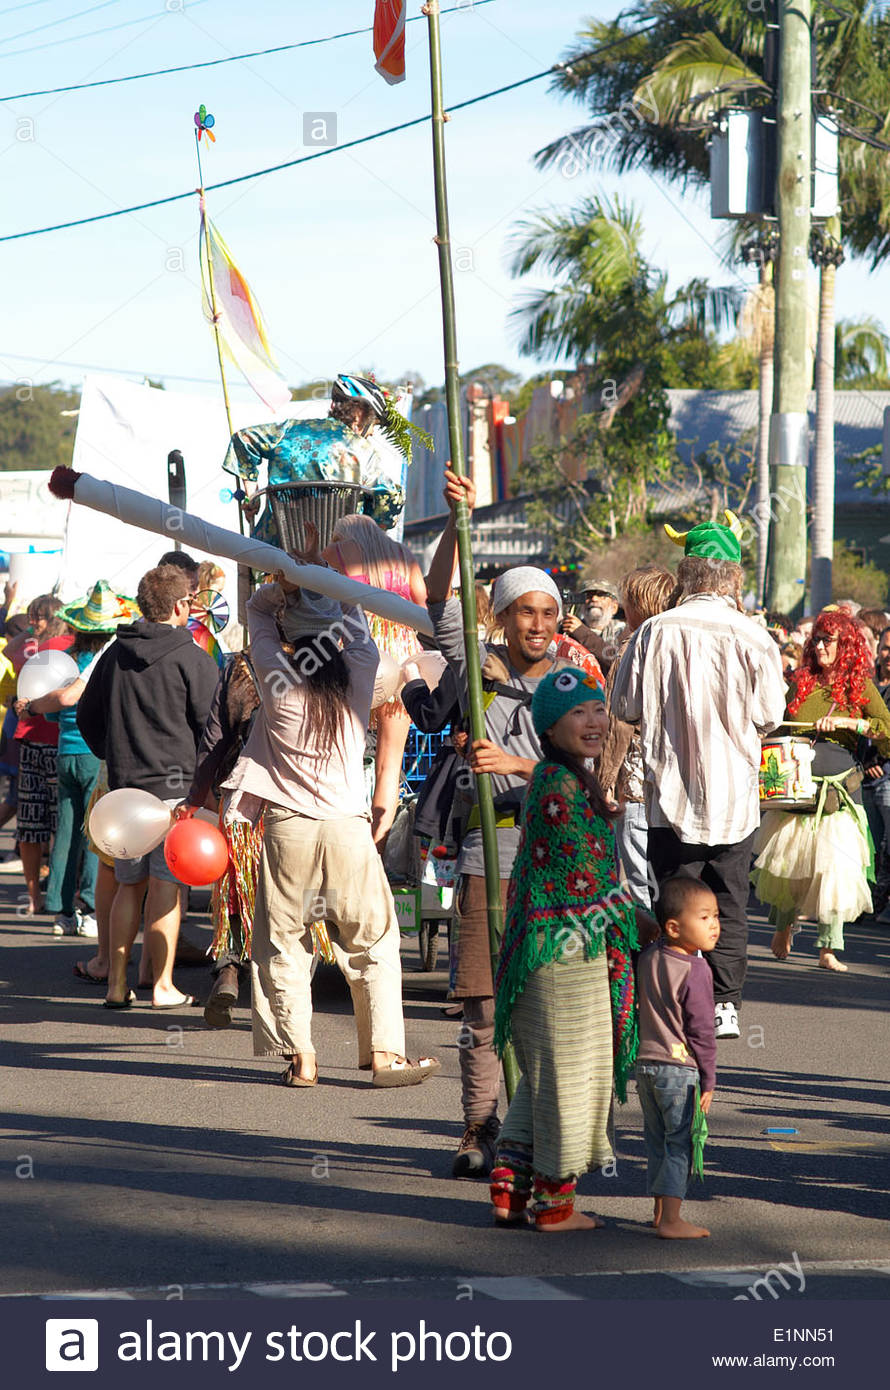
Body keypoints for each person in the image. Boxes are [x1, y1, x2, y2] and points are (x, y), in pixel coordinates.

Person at [220, 531, 439, 1087]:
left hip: (288, 829)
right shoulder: (361, 676)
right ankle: (385, 1056)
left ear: (293, 641)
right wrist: (325, 581)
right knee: (374, 942)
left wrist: (287, 581)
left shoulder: (275, 680)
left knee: (284, 945)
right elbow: (358, 623)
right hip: (346, 828)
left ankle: (302, 1057)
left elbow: (256, 615)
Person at [425, 469, 589, 1177]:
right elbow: (435, 598)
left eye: (548, 613)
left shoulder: (575, 681)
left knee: (548, 1010)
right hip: (482, 854)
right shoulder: (474, 666)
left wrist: (520, 769)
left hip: (552, 862)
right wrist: (454, 523)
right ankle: (476, 1131)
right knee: (483, 1010)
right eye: (524, 611)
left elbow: (595, 775)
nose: (538, 624)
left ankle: (540, 1135)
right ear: (501, 616)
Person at [611, 514, 786, 1039]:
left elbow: (624, 705)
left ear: (685, 575)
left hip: (671, 796)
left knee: (675, 898)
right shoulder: (755, 637)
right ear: (732, 577)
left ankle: (679, 994)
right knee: (729, 903)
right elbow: (771, 714)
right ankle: (726, 1005)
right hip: (734, 798)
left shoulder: (653, 633)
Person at [488, 668, 641, 1231]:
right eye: (578, 713)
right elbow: (586, 877)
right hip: (563, 952)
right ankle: (555, 1206)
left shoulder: (566, 779)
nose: (594, 721)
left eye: (599, 709)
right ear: (550, 728)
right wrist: (641, 918)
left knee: (545, 1075)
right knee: (572, 1076)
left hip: (554, 949)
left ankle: (509, 1192)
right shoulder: (559, 785)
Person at [77, 564, 219, 1009]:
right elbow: (212, 730)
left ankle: (116, 985)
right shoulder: (193, 657)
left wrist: (111, 753)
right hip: (174, 794)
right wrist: (206, 785)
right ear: (180, 606)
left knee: (128, 888)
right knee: (165, 889)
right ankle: (162, 986)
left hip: (123, 793)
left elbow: (86, 716)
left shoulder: (115, 655)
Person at [753, 608, 890, 971]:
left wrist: (849, 722)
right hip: (797, 789)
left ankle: (829, 947)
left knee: (835, 870)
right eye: (816, 638)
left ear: (845, 644)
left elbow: (887, 730)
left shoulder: (860, 686)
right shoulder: (801, 680)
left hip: (839, 795)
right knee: (788, 864)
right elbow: (776, 726)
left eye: (827, 639)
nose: (819, 644)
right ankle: (783, 927)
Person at [16, 582, 137, 937]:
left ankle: (61, 908)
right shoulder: (108, 665)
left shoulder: (68, 664)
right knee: (94, 835)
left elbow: (53, 715)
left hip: (64, 753)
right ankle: (88, 908)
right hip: (93, 757)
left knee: (65, 832)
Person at [323, 513, 426, 849]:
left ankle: (345, 846)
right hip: (404, 654)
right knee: (390, 764)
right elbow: (423, 607)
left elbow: (324, 585)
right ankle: (376, 852)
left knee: (344, 755)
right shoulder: (405, 556)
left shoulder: (341, 552)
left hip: (362, 650)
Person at [635, 876, 718, 1240]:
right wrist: (709, 1079)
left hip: (646, 1065)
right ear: (673, 926)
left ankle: (658, 1211)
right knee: (680, 1142)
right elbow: (702, 1031)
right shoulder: (696, 969)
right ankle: (672, 1219)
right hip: (680, 1071)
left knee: (656, 1140)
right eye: (704, 917)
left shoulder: (650, 955)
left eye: (716, 916)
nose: (715, 924)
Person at [598, 565, 675, 910]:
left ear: (639, 605)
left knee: (641, 887)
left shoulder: (633, 648)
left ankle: (652, 960)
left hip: (637, 784)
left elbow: (618, 724)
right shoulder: (680, 643)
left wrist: (604, 780)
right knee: (674, 883)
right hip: (678, 786)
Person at [6, 594, 70, 915]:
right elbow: (8, 647)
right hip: (40, 743)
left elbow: (9, 648)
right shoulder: (44, 647)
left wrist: (32, 632)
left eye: (40, 617)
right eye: (31, 617)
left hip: (50, 743)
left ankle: (49, 895)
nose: (34, 623)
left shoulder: (49, 648)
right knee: (43, 825)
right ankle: (42, 897)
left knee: (48, 824)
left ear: (56, 617)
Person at [864, 625, 890, 916]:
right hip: (863, 774)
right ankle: (870, 901)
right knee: (869, 844)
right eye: (885, 647)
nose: (889, 654)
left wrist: (880, 761)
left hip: (886, 775)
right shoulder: (866, 683)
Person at [560, 579, 625, 672]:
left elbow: (618, 661)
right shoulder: (569, 630)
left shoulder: (624, 632)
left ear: (614, 607)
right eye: (588, 596)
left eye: (601, 595)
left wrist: (582, 632)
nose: (594, 599)